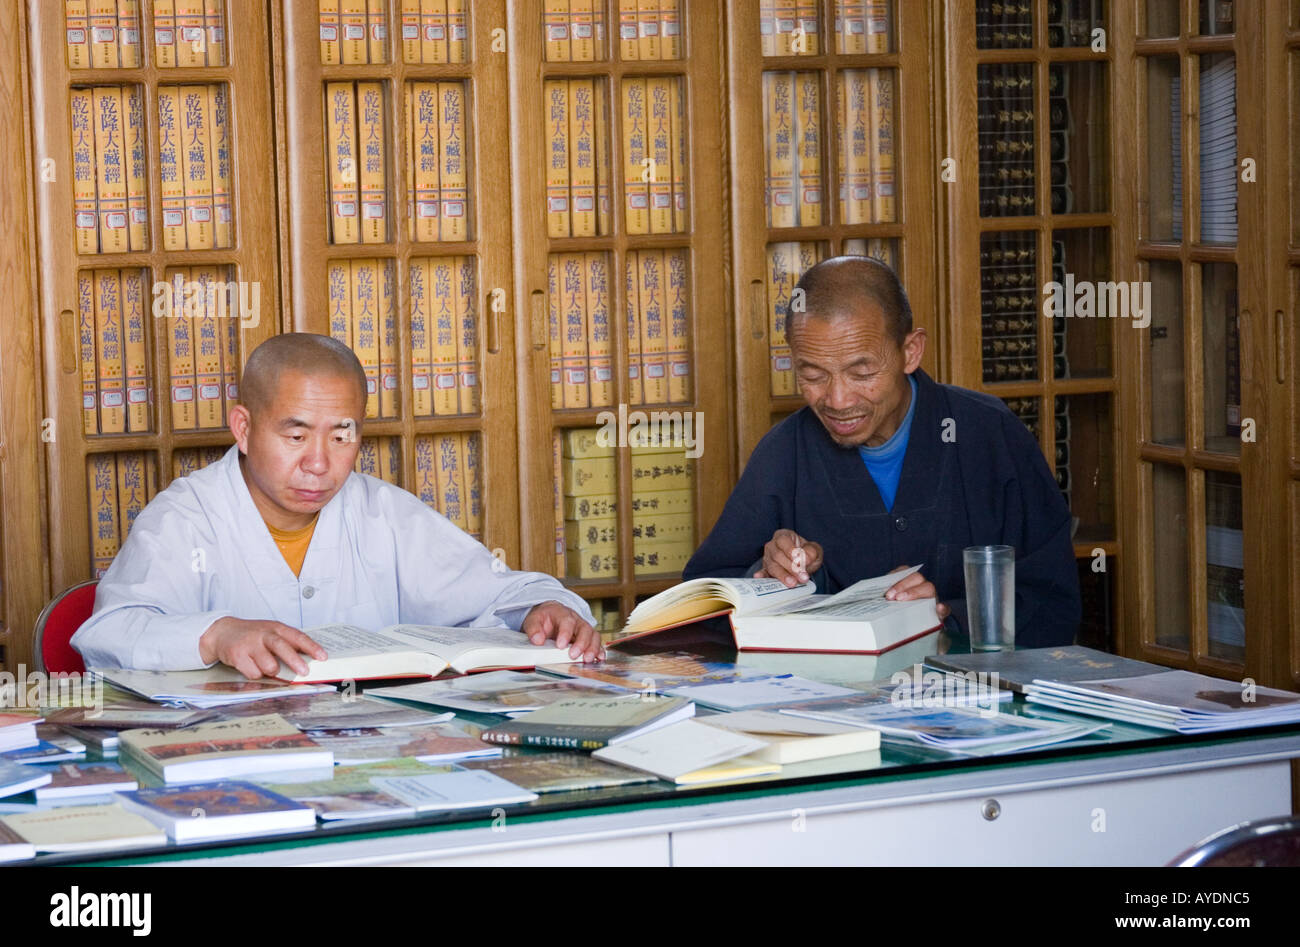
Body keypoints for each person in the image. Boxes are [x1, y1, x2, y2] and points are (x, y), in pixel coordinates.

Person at [73, 333, 605, 677]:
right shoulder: (187, 518)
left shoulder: (383, 513)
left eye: (342, 436)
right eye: (296, 435)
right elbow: (108, 634)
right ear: (243, 427)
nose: (320, 464)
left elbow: (505, 590)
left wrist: (544, 610)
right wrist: (217, 633)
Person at [682, 256, 1081, 646]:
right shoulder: (784, 453)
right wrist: (773, 576)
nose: (837, 400)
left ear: (911, 351)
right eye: (813, 375)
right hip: (829, 702)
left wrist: (946, 614)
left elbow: (1054, 604)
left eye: (862, 373)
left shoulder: (989, 435)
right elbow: (704, 608)